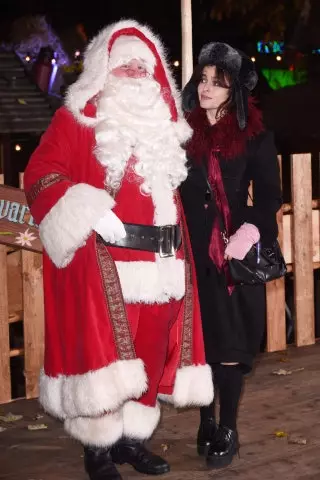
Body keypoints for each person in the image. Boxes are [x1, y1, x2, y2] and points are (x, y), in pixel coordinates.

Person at [24, 20, 213, 480]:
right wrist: (86, 208)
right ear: (103, 70)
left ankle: (131, 442)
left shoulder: (167, 129)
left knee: (147, 353)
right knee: (105, 359)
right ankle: (98, 450)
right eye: (123, 63)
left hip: (162, 265)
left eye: (141, 65)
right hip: (104, 260)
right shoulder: (76, 119)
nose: (133, 71)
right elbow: (41, 173)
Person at [180, 42, 282, 469]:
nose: (205, 88)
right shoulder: (181, 133)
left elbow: (271, 197)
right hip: (189, 250)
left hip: (230, 253)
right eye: (202, 79)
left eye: (216, 82)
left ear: (234, 89)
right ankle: (205, 419)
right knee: (201, 342)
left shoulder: (255, 136)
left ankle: (228, 427)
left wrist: (248, 231)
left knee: (228, 345)